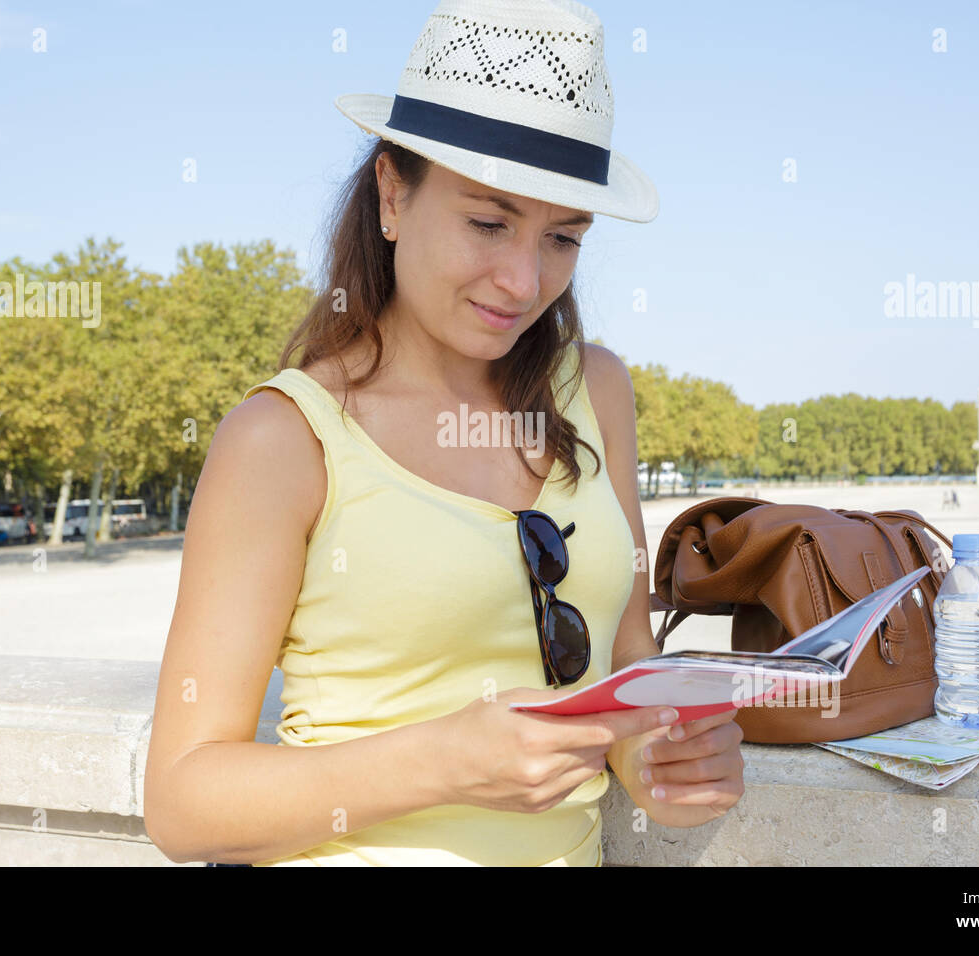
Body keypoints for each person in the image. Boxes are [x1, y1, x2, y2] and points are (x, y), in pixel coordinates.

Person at [143, 0, 744, 867]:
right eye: (489, 222)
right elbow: (182, 800)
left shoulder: (598, 390)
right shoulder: (282, 441)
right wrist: (442, 762)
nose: (524, 278)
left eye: (564, 237)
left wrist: (661, 759)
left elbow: (623, 669)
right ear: (394, 193)